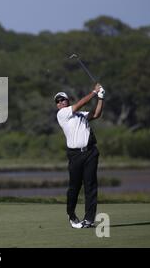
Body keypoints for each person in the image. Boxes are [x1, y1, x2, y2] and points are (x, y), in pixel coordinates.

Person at [54, 83, 105, 229]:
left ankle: (89, 219)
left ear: (67, 100)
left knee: (90, 185)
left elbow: (96, 114)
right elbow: (80, 103)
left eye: (63, 99)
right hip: (75, 155)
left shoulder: (80, 115)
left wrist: (101, 98)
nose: (60, 102)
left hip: (90, 152)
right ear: (57, 105)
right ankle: (71, 214)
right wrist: (94, 92)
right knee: (74, 186)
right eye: (58, 101)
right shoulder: (62, 114)